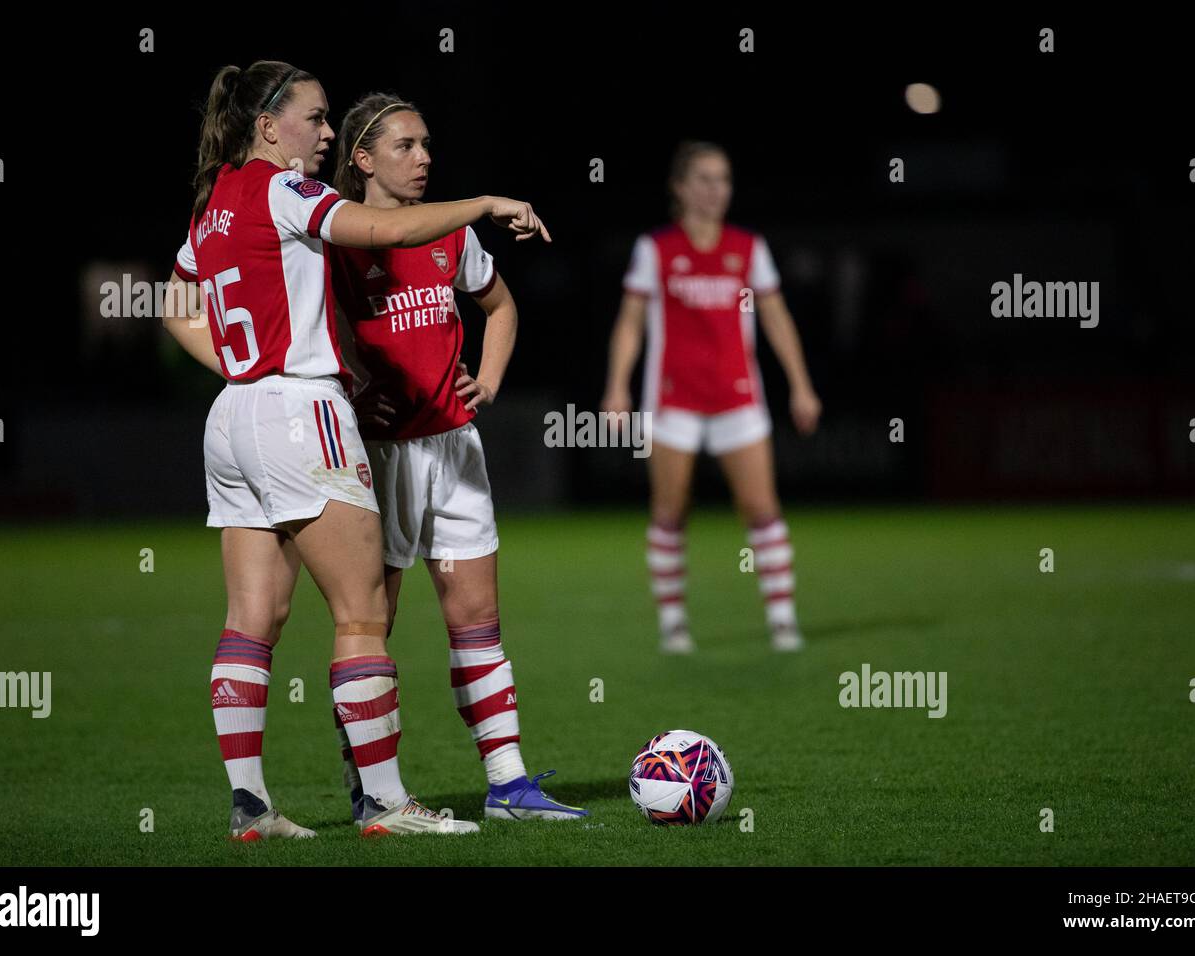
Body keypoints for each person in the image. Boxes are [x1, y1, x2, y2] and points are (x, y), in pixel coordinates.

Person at [161, 60, 550, 839]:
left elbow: (175, 303)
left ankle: (250, 806)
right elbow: (389, 229)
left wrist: (240, 366)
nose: (325, 133)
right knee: (364, 614)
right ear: (268, 126)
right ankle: (384, 801)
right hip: (299, 410)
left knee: (253, 617)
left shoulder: (215, 201)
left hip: (234, 414)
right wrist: (486, 202)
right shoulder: (285, 189)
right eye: (314, 117)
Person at [326, 92, 587, 821]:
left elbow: (500, 307)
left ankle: (508, 785)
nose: (424, 158)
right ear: (363, 158)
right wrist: (348, 391)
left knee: (477, 622)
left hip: (454, 447)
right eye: (405, 146)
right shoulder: (335, 238)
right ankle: (371, 788)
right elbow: (312, 329)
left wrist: (490, 381)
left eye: (427, 144)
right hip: (377, 456)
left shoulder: (449, 235)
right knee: (367, 628)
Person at [601, 141, 821, 654]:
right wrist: (616, 387)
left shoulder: (748, 247)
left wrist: (801, 384)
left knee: (761, 508)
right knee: (671, 510)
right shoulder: (656, 249)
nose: (715, 189)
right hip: (672, 400)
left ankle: (783, 620)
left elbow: (776, 318)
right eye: (703, 178)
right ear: (679, 187)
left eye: (722, 179)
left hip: (738, 397)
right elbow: (631, 323)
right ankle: (674, 623)